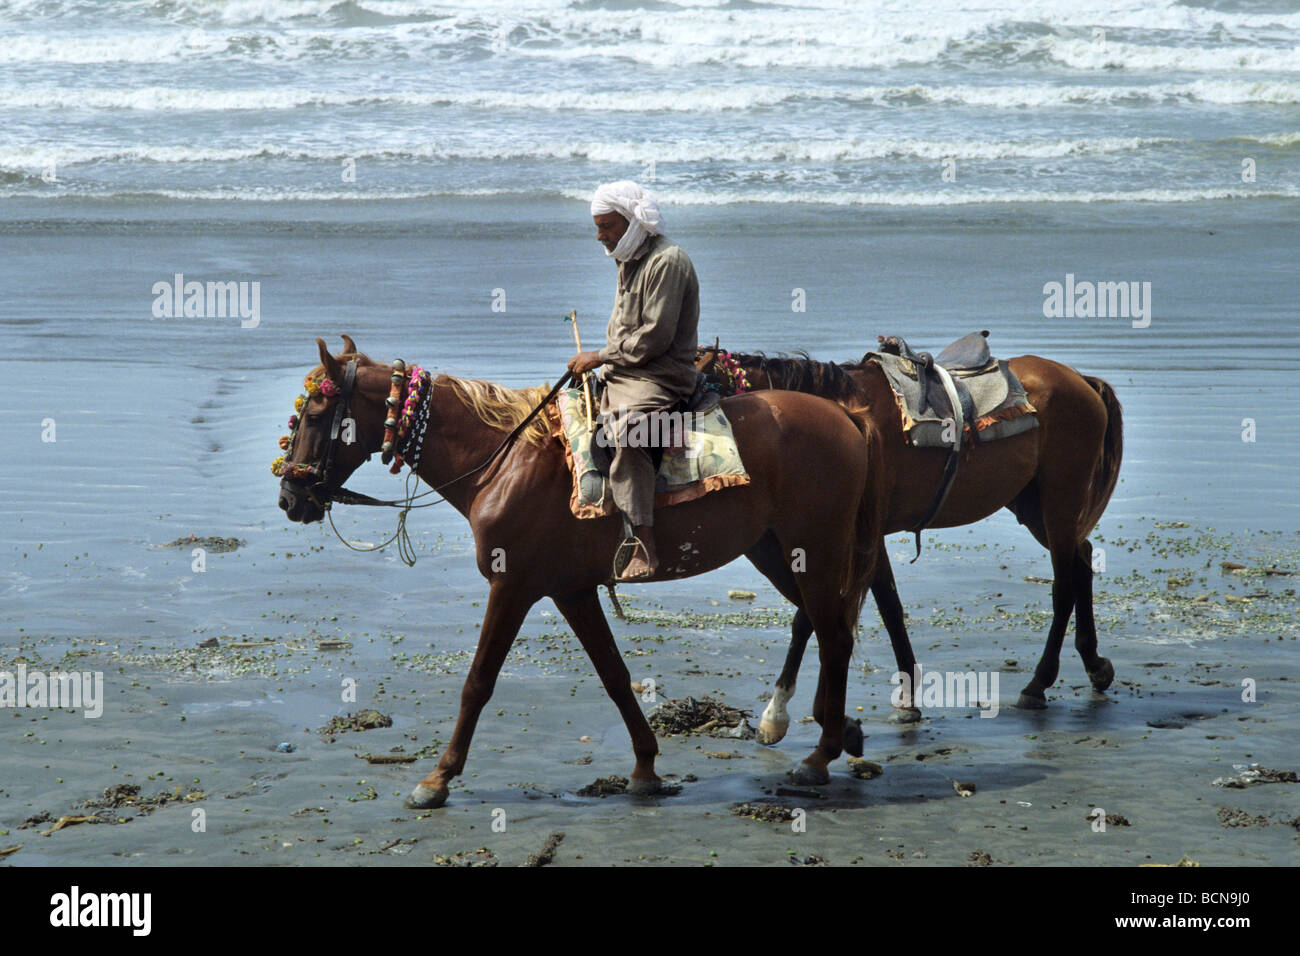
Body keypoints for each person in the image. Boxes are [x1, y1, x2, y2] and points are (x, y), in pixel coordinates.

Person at [567, 181, 700, 580]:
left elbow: (654, 338)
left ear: (632, 221)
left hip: (661, 378)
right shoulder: (629, 259)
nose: (600, 236)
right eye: (598, 226)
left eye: (606, 226)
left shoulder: (668, 261)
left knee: (628, 436)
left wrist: (598, 356)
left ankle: (644, 542)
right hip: (628, 372)